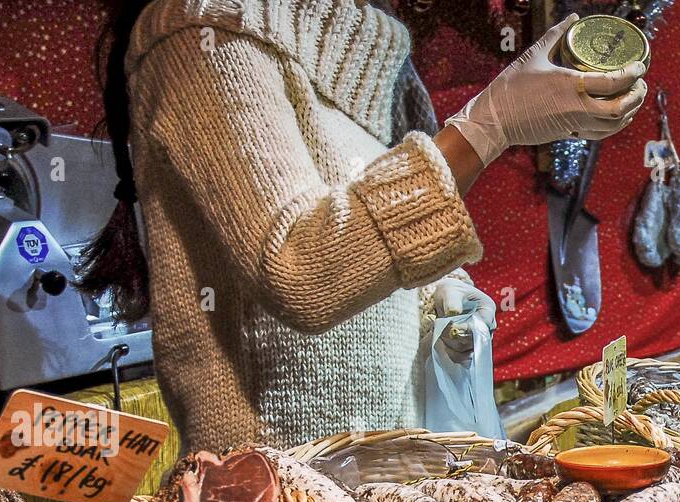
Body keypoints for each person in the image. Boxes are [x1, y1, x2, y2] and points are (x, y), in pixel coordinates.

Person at [83, 0, 647, 452]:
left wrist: (444, 301)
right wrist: (488, 125)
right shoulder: (199, 31)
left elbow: (377, 254)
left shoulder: (376, 61)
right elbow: (300, 269)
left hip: (389, 500)